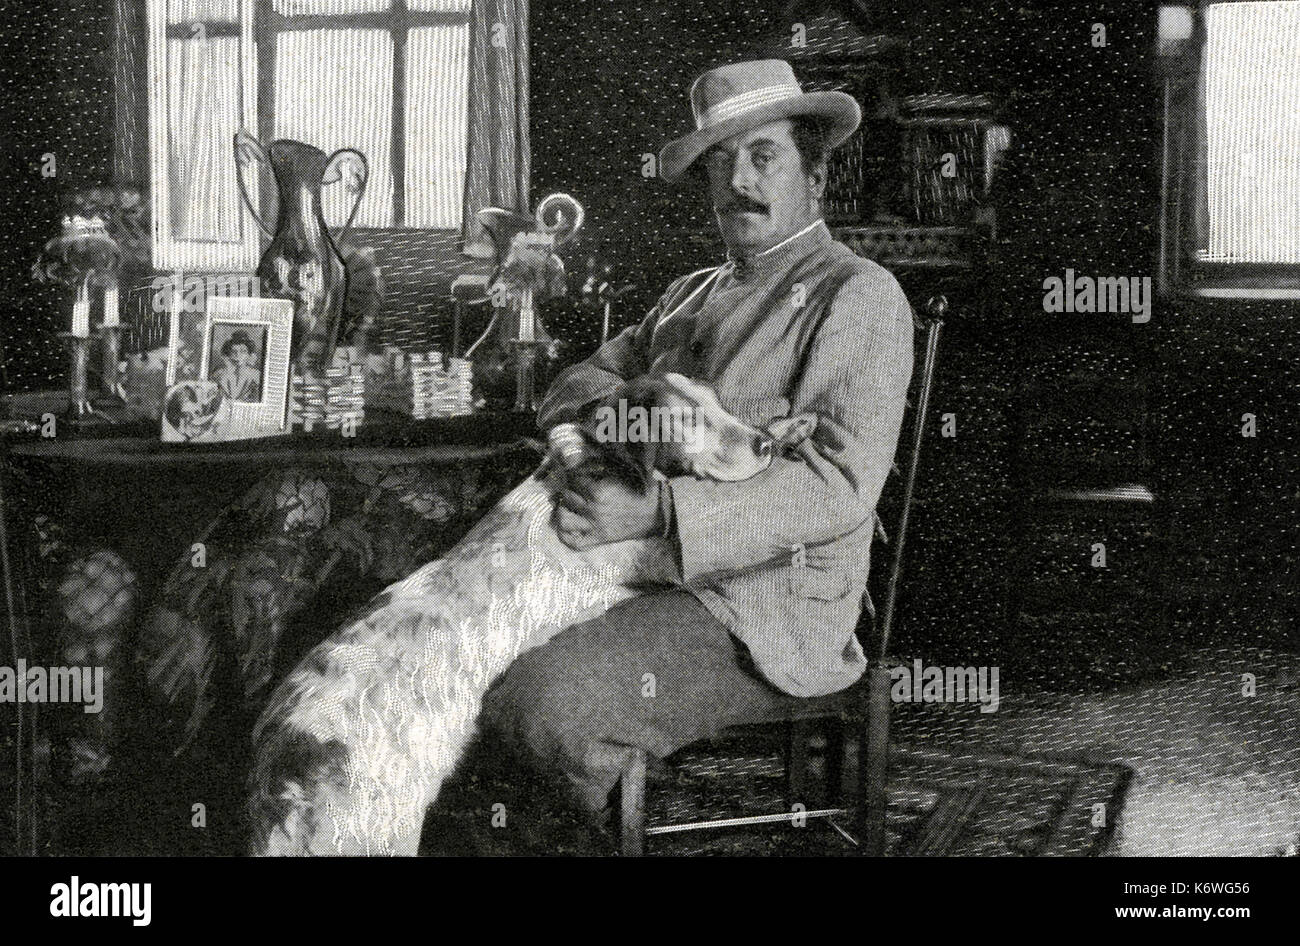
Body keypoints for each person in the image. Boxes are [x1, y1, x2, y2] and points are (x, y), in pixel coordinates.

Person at [464, 59, 916, 853]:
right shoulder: (689, 294)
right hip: (633, 574)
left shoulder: (859, 295)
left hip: (763, 608)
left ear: (814, 172)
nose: (738, 181)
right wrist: (626, 418)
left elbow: (835, 486)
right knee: (464, 658)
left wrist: (659, 509)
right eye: (720, 162)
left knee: (541, 705)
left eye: (762, 156)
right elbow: (573, 386)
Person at [213, 329, 262, 402]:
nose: (238, 355)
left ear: (249, 354)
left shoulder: (256, 375)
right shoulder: (219, 374)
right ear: (228, 354)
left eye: (243, 351)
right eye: (234, 351)